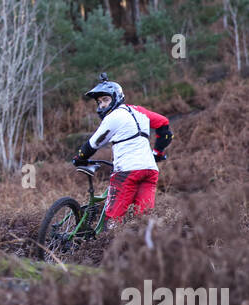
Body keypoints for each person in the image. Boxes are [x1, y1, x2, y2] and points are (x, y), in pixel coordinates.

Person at [71, 73, 173, 225]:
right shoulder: (139, 111)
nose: (102, 105)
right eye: (99, 102)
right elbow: (164, 124)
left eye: (105, 100)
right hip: (150, 171)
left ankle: (107, 246)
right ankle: (139, 247)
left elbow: (92, 144)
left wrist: (80, 157)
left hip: (127, 171)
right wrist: (157, 153)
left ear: (116, 97)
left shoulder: (113, 117)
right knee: (143, 221)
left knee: (113, 221)